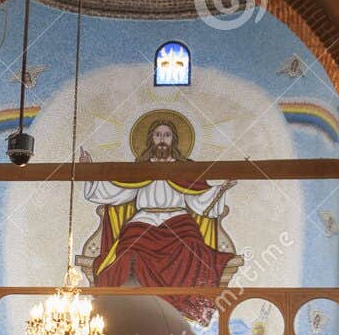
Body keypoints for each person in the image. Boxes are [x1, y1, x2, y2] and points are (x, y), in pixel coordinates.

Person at [82, 114, 236, 290]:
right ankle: (135, 300)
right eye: (158, 135)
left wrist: (221, 188)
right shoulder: (140, 169)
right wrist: (89, 173)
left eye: (167, 135)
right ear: (151, 139)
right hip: (143, 222)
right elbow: (117, 191)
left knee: (191, 248)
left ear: (173, 140)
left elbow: (197, 199)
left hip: (178, 221)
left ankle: (181, 300)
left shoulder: (185, 169)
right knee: (129, 253)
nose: (162, 139)